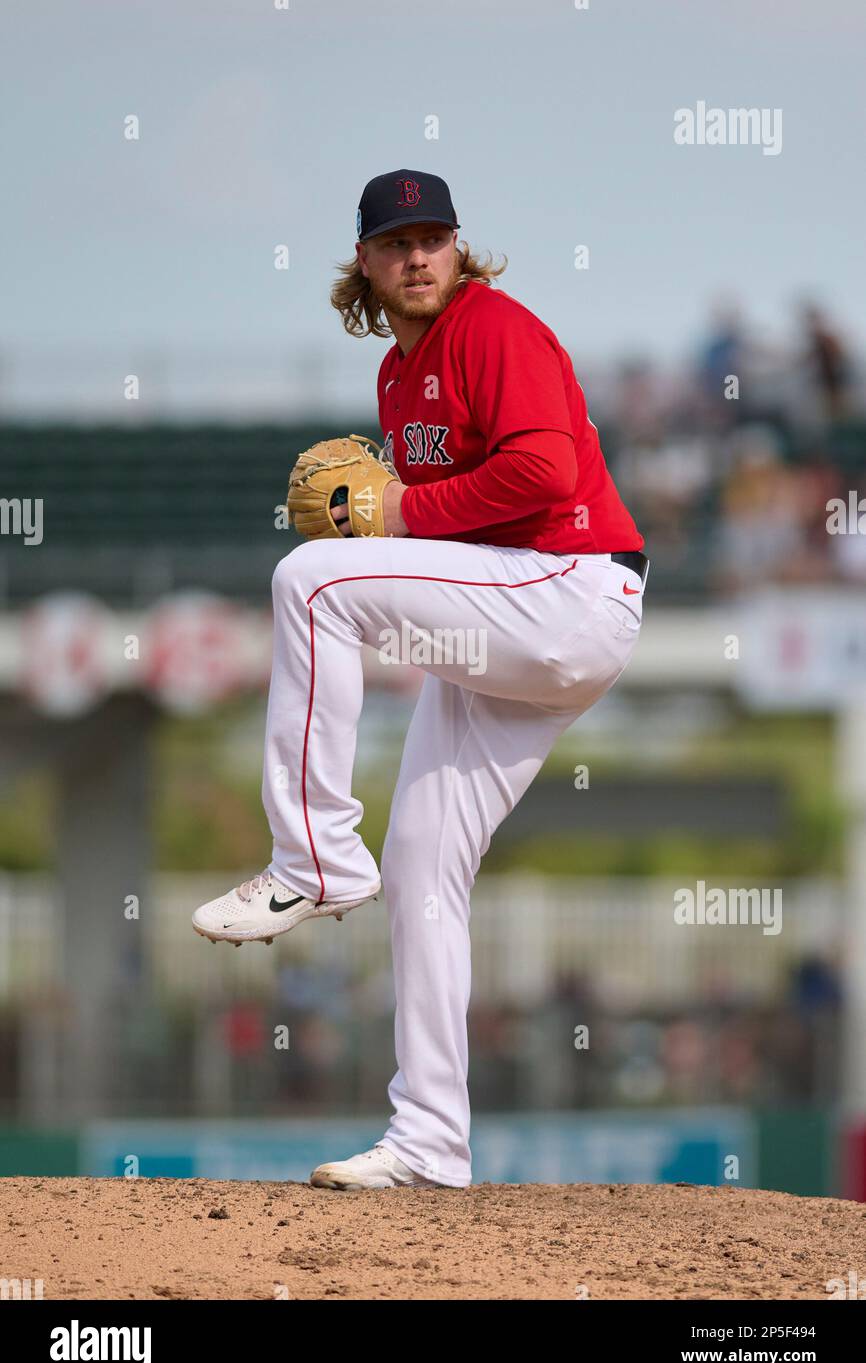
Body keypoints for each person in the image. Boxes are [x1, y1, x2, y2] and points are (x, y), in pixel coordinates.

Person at [192, 168, 648, 1190]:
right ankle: (430, 1141)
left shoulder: (492, 327)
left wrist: (391, 517)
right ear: (365, 260)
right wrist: (404, 532)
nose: (417, 256)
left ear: (457, 246)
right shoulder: (397, 382)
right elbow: (456, 524)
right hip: (515, 615)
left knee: (311, 581)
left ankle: (311, 857)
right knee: (423, 871)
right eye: (396, 242)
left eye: (433, 237)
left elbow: (539, 474)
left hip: (568, 586)